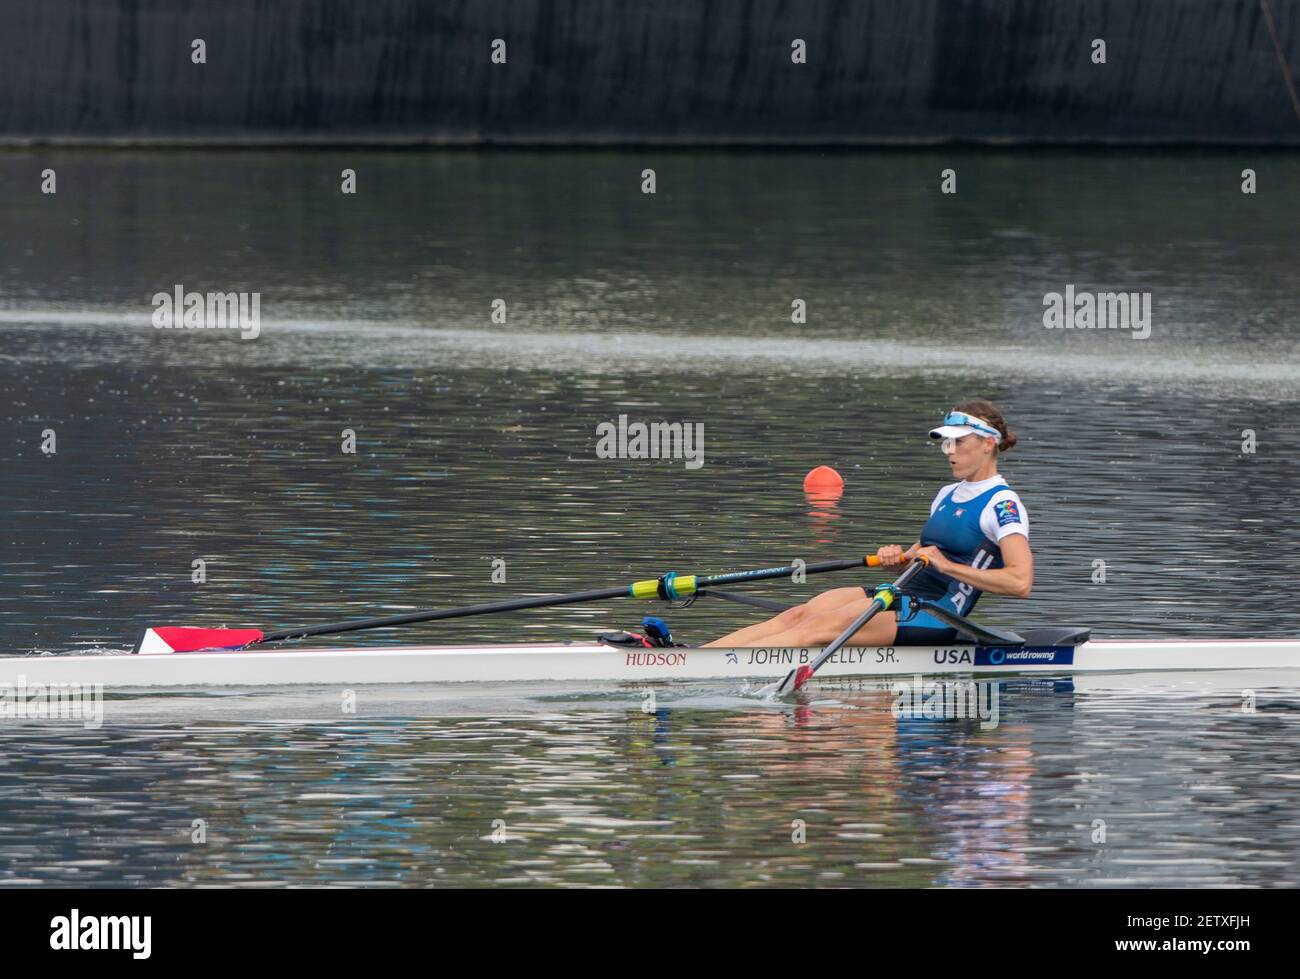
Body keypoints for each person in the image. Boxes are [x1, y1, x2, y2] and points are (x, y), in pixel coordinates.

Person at [704, 399, 1032, 648]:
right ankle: (694, 655)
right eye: (946, 442)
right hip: (899, 594)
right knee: (801, 614)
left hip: (937, 614)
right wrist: (897, 559)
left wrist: (947, 567)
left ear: (988, 443)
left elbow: (1020, 583)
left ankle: (707, 668)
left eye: (959, 442)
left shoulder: (1002, 505)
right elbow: (920, 557)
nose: (949, 451)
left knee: (815, 628)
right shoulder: (947, 493)